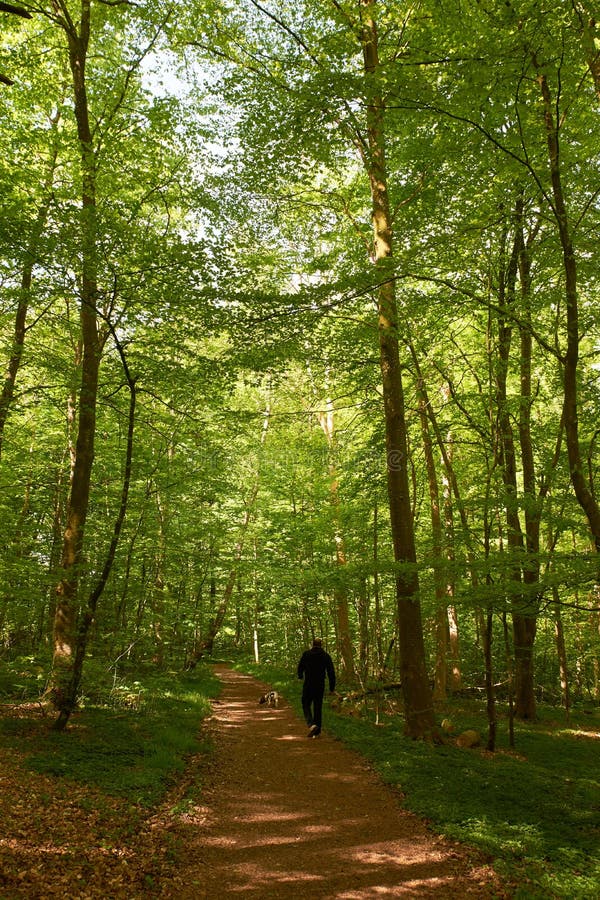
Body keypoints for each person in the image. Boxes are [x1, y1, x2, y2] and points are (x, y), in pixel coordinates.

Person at [297, 637, 336, 738]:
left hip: (308, 684)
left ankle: (312, 725)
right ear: (321, 645)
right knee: (317, 707)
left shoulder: (306, 654)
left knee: (305, 703)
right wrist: (332, 688)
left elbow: (300, 666)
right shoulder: (325, 656)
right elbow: (331, 672)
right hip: (320, 685)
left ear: (312, 644)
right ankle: (317, 731)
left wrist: (300, 676)